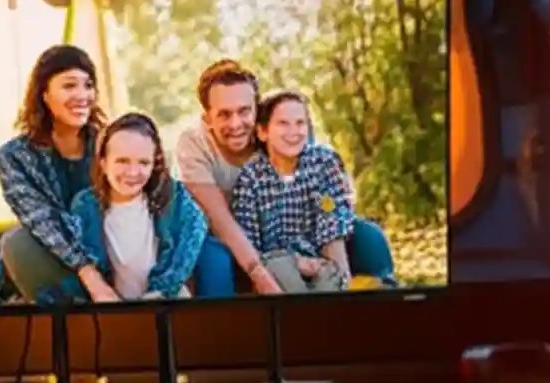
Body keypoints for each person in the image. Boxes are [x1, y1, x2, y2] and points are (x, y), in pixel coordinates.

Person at [0, 44, 116, 305]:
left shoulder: (110, 145)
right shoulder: (14, 157)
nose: (82, 95)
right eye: (69, 86)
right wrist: (91, 277)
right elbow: (43, 222)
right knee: (18, 242)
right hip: (52, 255)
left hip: (109, 253)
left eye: (88, 85)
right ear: (44, 94)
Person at [54, 112, 208, 303]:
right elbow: (75, 254)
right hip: (109, 308)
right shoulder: (85, 205)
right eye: (122, 161)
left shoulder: (173, 198)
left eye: (143, 162)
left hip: (166, 301)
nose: (133, 172)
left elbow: (192, 237)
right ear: (103, 162)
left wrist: (159, 293)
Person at [173, 60, 283, 297]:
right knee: (212, 257)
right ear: (207, 119)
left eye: (244, 111)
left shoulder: (280, 127)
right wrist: (259, 273)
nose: (236, 124)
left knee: (367, 234)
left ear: (256, 109)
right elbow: (219, 219)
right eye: (224, 114)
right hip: (222, 238)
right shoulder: (193, 143)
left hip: (277, 227)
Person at [231, 89, 356, 293]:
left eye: (300, 123)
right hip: (276, 262)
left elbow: (332, 220)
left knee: (330, 278)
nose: (294, 132)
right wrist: (296, 261)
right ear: (263, 132)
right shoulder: (251, 177)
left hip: (320, 256)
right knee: (282, 271)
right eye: (283, 124)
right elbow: (250, 242)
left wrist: (340, 274)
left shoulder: (324, 163)